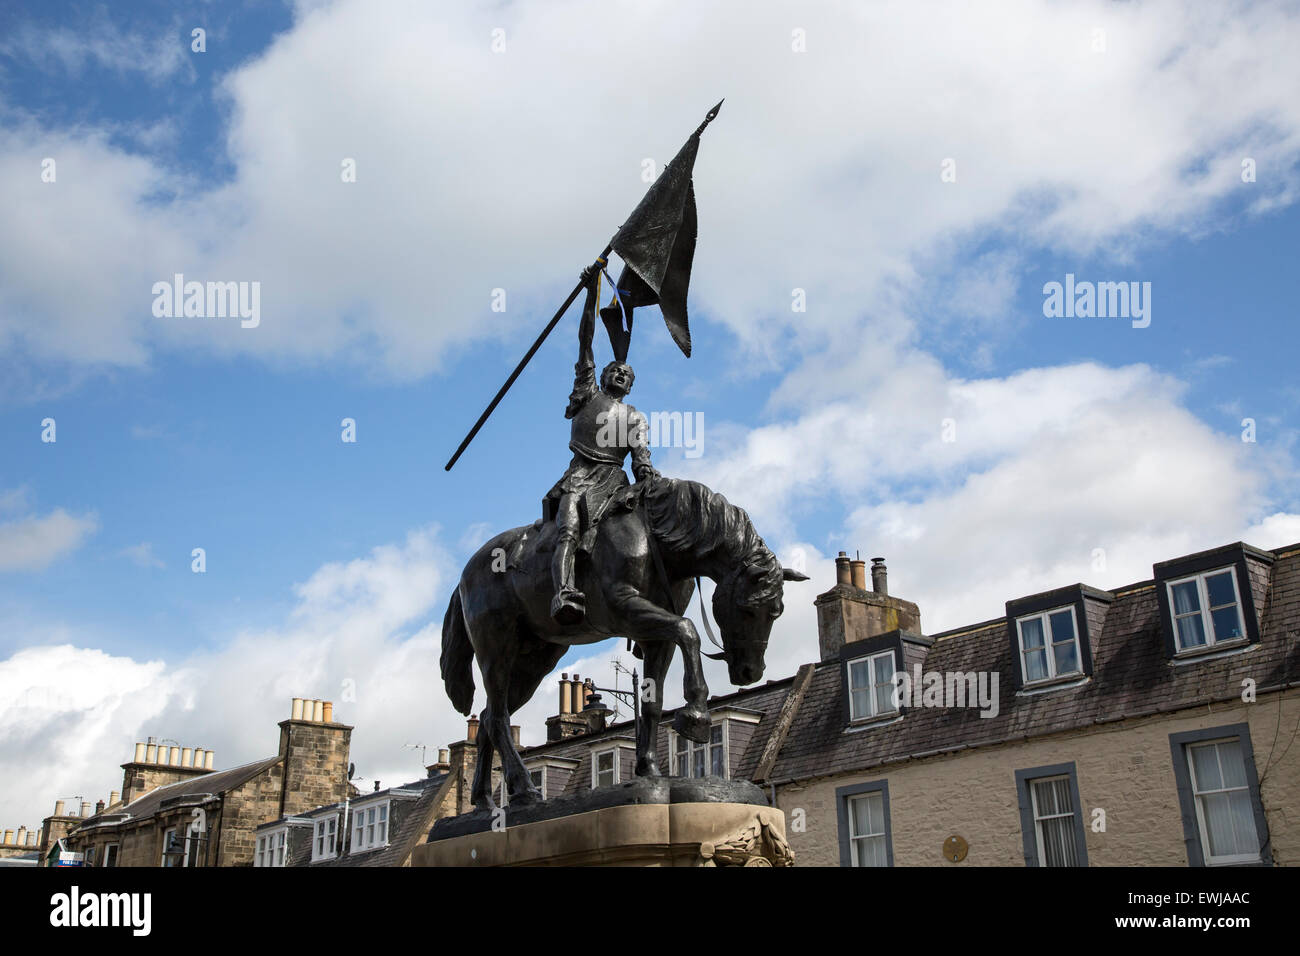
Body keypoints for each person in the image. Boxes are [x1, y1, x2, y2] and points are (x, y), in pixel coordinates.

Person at [546, 260, 659, 625]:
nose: (620, 373)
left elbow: (641, 460)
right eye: (615, 370)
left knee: (648, 538)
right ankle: (563, 592)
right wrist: (590, 291)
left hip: (615, 484)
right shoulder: (587, 392)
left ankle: (649, 606)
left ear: (630, 385)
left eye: (626, 374)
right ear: (605, 375)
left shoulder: (635, 418)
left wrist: (650, 480)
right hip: (580, 476)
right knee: (568, 530)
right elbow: (586, 340)